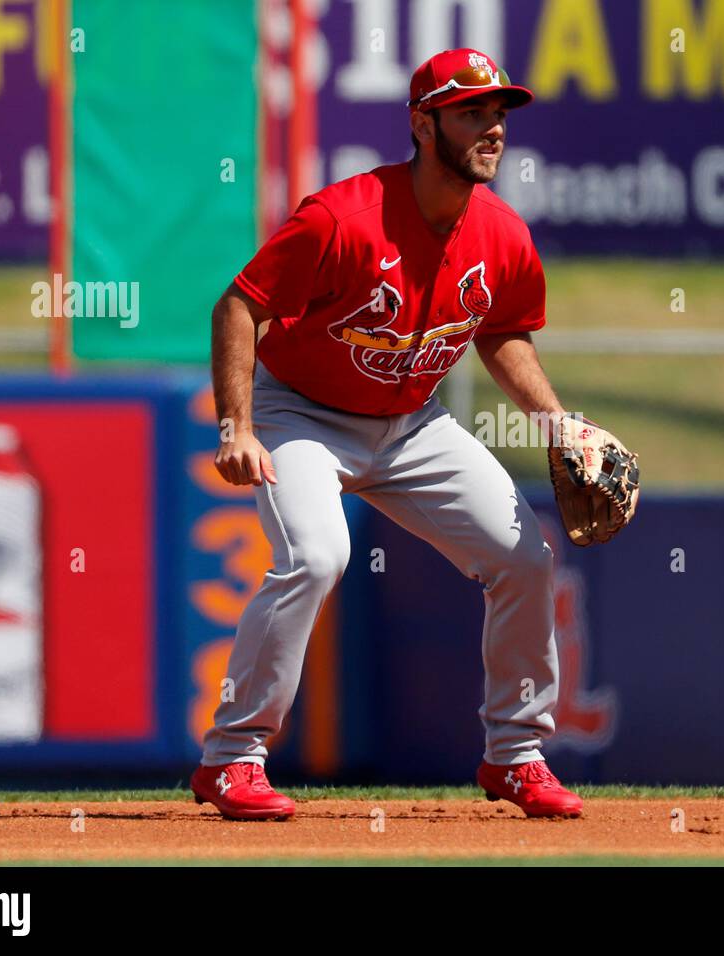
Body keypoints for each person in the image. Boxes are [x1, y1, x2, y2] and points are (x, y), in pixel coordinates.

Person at [189, 49, 585, 820]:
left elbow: (504, 334)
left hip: (412, 424)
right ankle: (233, 758)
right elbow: (238, 307)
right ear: (422, 123)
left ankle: (516, 755)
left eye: (498, 114)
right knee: (317, 556)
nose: (492, 128)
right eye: (471, 112)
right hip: (300, 413)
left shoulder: (502, 234)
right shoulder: (341, 217)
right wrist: (237, 426)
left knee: (524, 560)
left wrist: (556, 422)